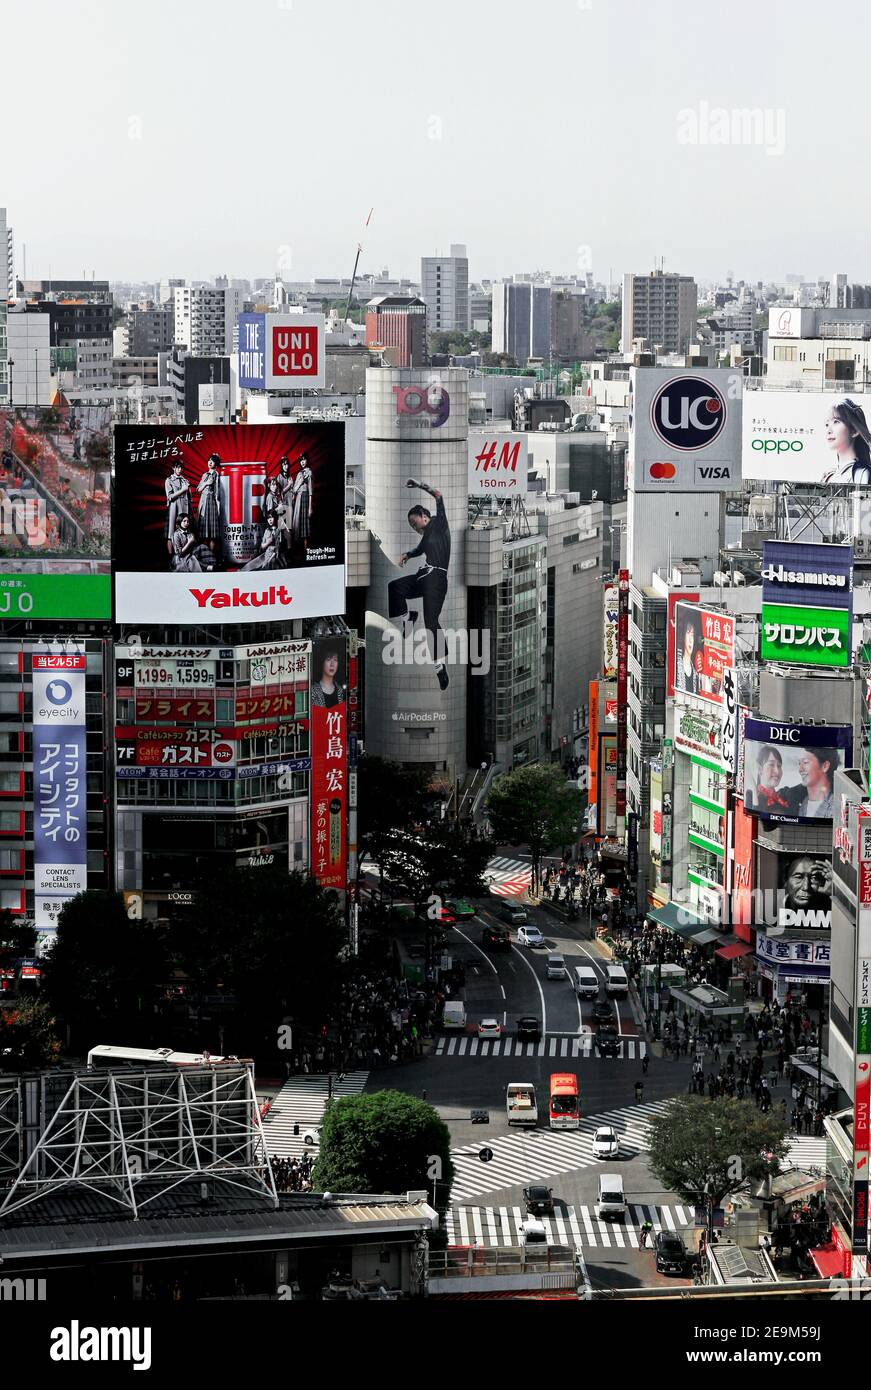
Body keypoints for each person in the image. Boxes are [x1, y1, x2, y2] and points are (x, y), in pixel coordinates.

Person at [388, 478, 452, 692]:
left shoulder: (439, 523)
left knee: (431, 622)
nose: (414, 528)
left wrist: (419, 485)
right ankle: (408, 617)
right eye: (411, 526)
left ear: (425, 517)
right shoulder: (426, 537)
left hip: (436, 580)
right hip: (423, 576)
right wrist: (407, 555)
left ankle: (439, 667)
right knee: (394, 587)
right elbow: (419, 550)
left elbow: (439, 495)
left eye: (415, 524)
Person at [821, 398, 871, 485]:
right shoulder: (828, 477)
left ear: (854, 430)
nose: (829, 430)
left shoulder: (861, 474)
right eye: (827, 424)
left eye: (836, 422)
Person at [746, 744, 791, 815]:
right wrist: (754, 789)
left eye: (779, 766)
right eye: (771, 765)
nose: (777, 771)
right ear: (760, 769)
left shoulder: (784, 794)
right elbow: (753, 818)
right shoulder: (751, 794)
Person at [196, 453, 222, 557]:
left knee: (212, 533)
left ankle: (211, 556)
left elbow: (217, 492)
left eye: (212, 461)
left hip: (212, 502)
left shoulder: (216, 474)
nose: (210, 462)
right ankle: (204, 556)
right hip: (203, 502)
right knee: (203, 532)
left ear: (216, 464)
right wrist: (206, 483)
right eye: (209, 460)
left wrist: (219, 507)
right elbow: (198, 489)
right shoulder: (204, 475)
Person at [673, 608, 703, 696]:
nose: (691, 640)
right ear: (683, 635)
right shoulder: (677, 666)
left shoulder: (696, 672)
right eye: (688, 632)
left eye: (693, 635)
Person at [164, 460, 190, 556]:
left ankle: (182, 556)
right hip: (174, 509)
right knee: (171, 534)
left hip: (184, 509)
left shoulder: (185, 480)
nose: (179, 469)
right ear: (173, 468)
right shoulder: (169, 480)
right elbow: (170, 497)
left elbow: (189, 498)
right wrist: (183, 490)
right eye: (177, 467)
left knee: (183, 532)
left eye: (181, 468)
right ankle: (171, 558)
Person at [290, 453, 313, 550]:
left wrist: (310, 508)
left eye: (304, 460)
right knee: (297, 524)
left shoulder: (309, 472)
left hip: (305, 498)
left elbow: (311, 491)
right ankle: (299, 550)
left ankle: (306, 549)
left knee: (305, 525)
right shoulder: (299, 473)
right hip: (298, 499)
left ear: (307, 461)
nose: (302, 462)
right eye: (301, 460)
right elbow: (294, 489)